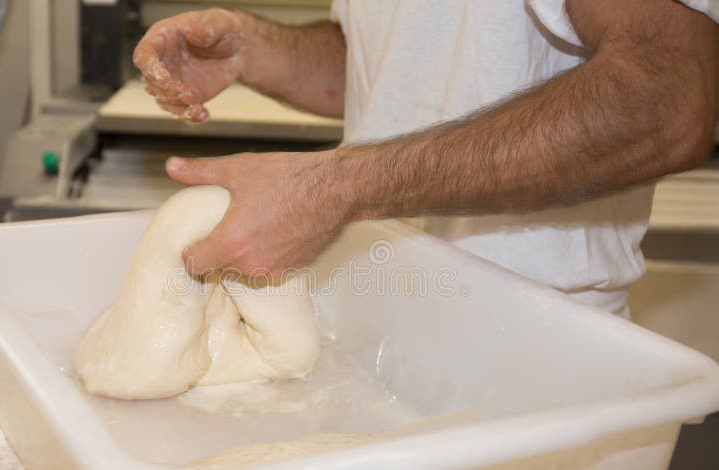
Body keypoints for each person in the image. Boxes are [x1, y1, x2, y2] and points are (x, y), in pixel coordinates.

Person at [132, 0, 718, 316]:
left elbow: (664, 98)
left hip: (530, 343)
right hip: (383, 310)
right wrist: (254, 49)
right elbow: (390, 67)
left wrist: (337, 186)